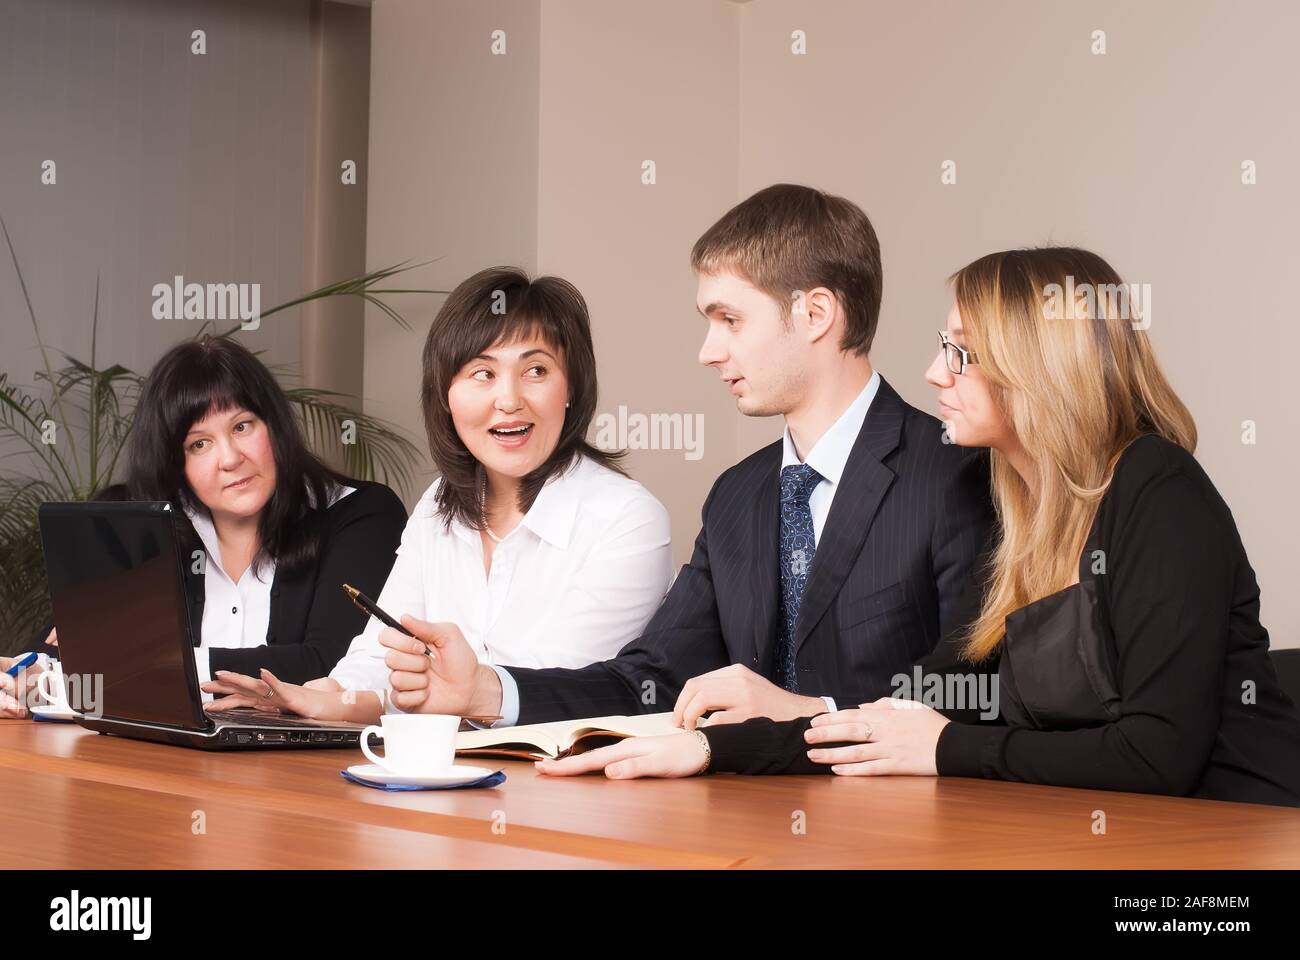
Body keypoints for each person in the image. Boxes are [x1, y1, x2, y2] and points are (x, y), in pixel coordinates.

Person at [542, 247, 1300, 808]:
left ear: (1044, 366)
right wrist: (711, 748)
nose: (936, 373)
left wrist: (942, 747)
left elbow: (1155, 754)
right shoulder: (1020, 508)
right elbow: (938, 700)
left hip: (1233, 841)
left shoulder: (1158, 488)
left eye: (962, 353)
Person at [370, 184, 996, 731]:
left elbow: (978, 692)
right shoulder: (737, 497)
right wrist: (485, 688)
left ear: (815, 312)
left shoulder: (956, 473)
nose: (708, 350)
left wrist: (816, 712)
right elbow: (650, 680)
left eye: (729, 319)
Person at [202, 267, 674, 723]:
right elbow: (377, 654)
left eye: (535, 370)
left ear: (571, 386)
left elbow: (555, 692)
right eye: (482, 374)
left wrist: (434, 691)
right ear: (446, 395)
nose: (508, 400)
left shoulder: (627, 518)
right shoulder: (439, 503)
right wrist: (321, 698)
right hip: (439, 780)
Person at [0, 335, 408, 719]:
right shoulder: (139, 522)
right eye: (200, 444)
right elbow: (65, 653)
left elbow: (329, 664)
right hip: (164, 771)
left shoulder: (361, 515)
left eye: (242, 426)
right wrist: (28, 682)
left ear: (276, 427)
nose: (230, 458)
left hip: (306, 775)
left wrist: (148, 661)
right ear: (174, 464)